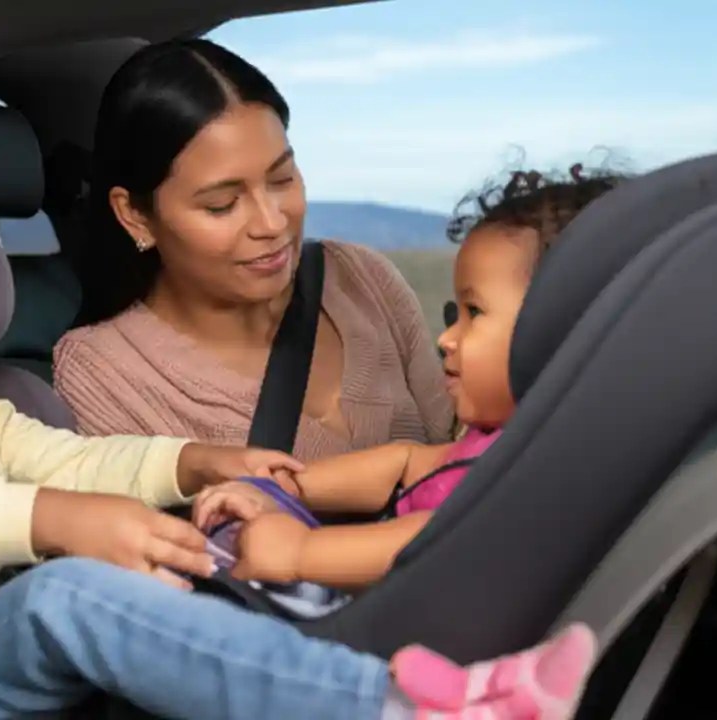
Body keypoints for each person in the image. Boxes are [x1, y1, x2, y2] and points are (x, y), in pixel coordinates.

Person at [0, 125, 597, 719]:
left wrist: (190, 466)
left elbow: (63, 458)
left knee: (184, 567)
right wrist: (48, 523)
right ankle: (405, 707)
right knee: (70, 590)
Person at [194, 166, 625, 590]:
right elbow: (403, 463)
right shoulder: (495, 444)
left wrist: (301, 552)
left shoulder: (550, 475)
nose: (448, 338)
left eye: (474, 313)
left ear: (566, 333)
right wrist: (283, 488)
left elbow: (444, 537)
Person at [53, 38, 454, 461]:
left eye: (282, 179)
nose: (272, 223)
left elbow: (461, 452)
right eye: (221, 205)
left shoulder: (362, 278)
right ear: (135, 215)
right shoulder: (104, 372)